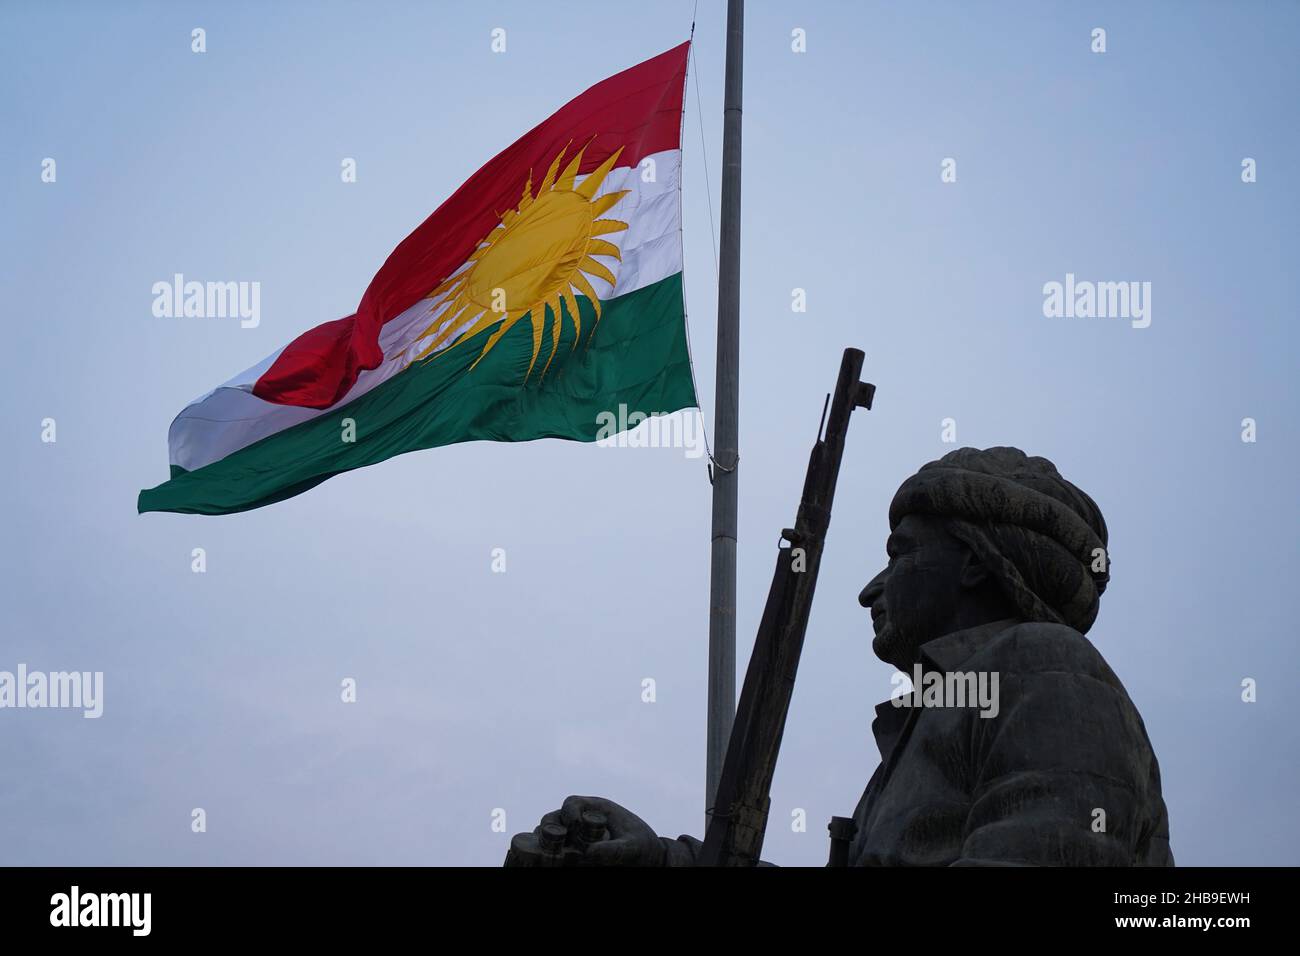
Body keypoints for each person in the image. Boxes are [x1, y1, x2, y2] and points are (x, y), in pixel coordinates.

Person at [506, 447, 1174, 866]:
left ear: (976, 562)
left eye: (900, 555)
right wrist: (660, 862)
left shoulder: (1045, 667)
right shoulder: (934, 721)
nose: (871, 589)